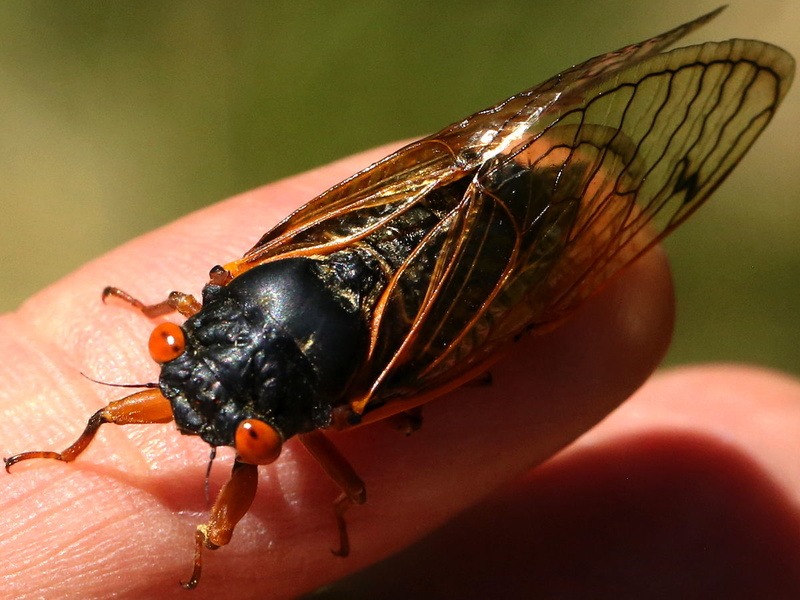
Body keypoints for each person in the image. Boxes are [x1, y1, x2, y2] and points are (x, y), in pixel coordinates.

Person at [2, 144, 798, 598]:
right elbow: (114, 411)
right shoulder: (229, 297)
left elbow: (352, 485)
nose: (194, 407)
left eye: (247, 438)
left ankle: (552, 175)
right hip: (416, 232)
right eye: (166, 338)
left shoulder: (341, 403)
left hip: (463, 283)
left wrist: (217, 536)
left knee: (463, 366)